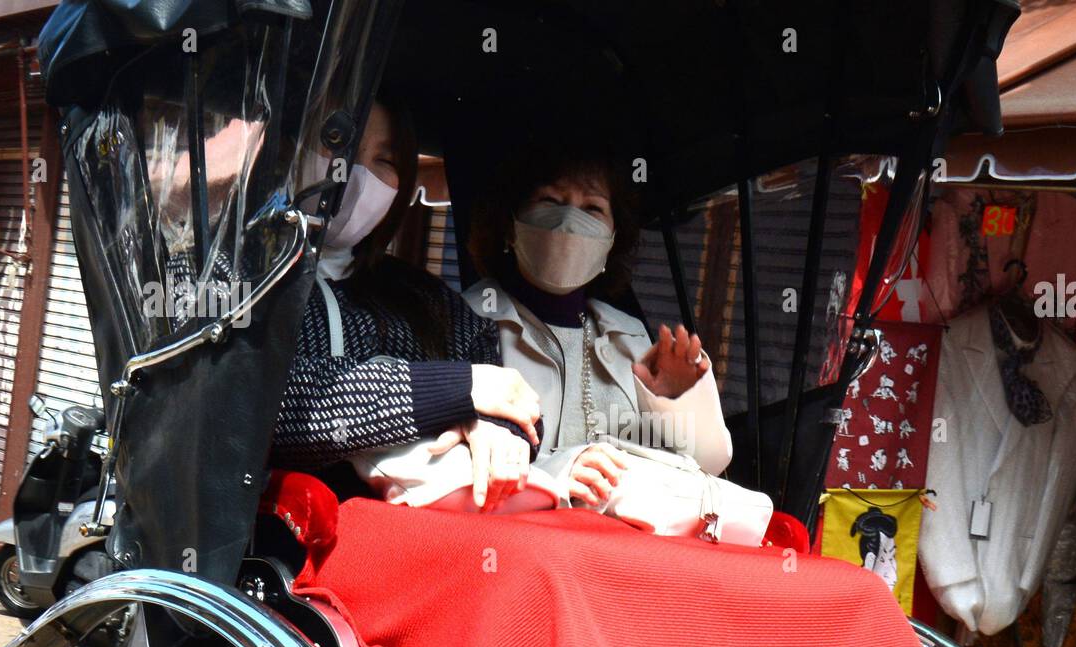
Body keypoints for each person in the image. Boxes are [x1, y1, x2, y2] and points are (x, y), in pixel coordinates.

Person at [270, 95, 540, 511]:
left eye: (386, 161)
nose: (355, 173)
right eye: (337, 143)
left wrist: (495, 429)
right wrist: (455, 393)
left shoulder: (430, 301)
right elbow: (267, 403)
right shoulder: (231, 281)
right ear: (290, 146)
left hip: (431, 544)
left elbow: (510, 403)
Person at [463, 139, 731, 506]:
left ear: (611, 240)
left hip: (619, 553)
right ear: (510, 225)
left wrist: (675, 400)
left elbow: (708, 466)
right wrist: (557, 475)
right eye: (550, 201)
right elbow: (443, 460)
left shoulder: (629, 336)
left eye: (592, 208)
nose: (571, 222)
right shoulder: (464, 321)